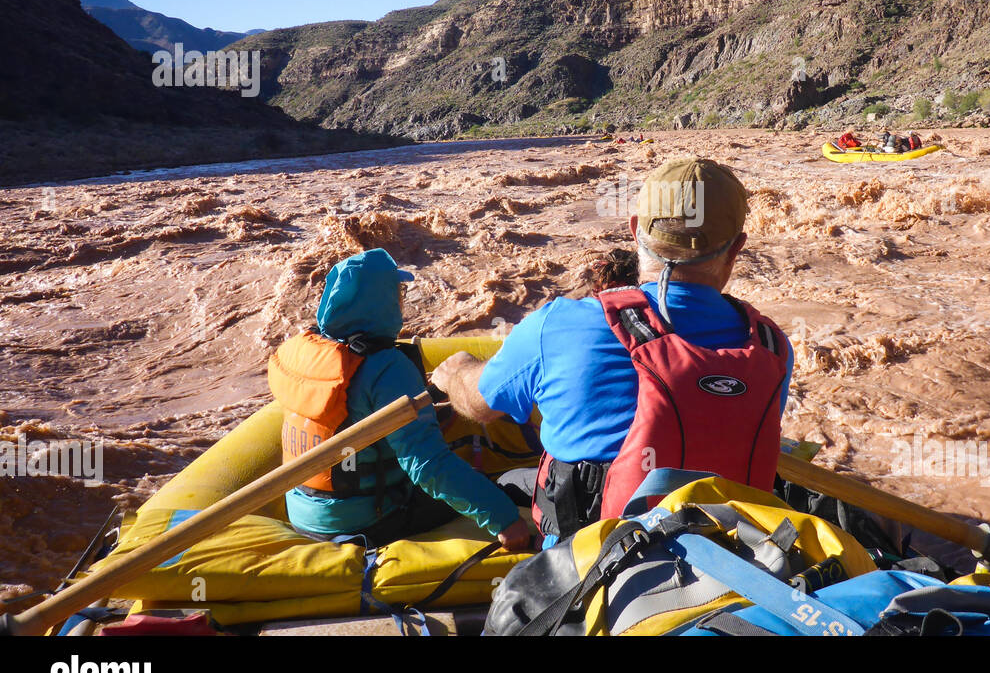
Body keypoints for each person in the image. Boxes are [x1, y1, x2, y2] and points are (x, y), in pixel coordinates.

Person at [433, 159, 795, 546]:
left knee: (509, 482)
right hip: (731, 561)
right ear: (737, 246)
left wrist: (456, 373)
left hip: (593, 574)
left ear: (635, 228)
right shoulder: (771, 347)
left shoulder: (558, 325)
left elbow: (480, 406)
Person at [272, 248, 532, 550]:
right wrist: (505, 520)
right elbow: (429, 467)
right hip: (367, 522)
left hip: (304, 516)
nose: (402, 299)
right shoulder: (387, 369)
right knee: (493, 484)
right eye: (399, 291)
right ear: (381, 300)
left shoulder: (308, 351)